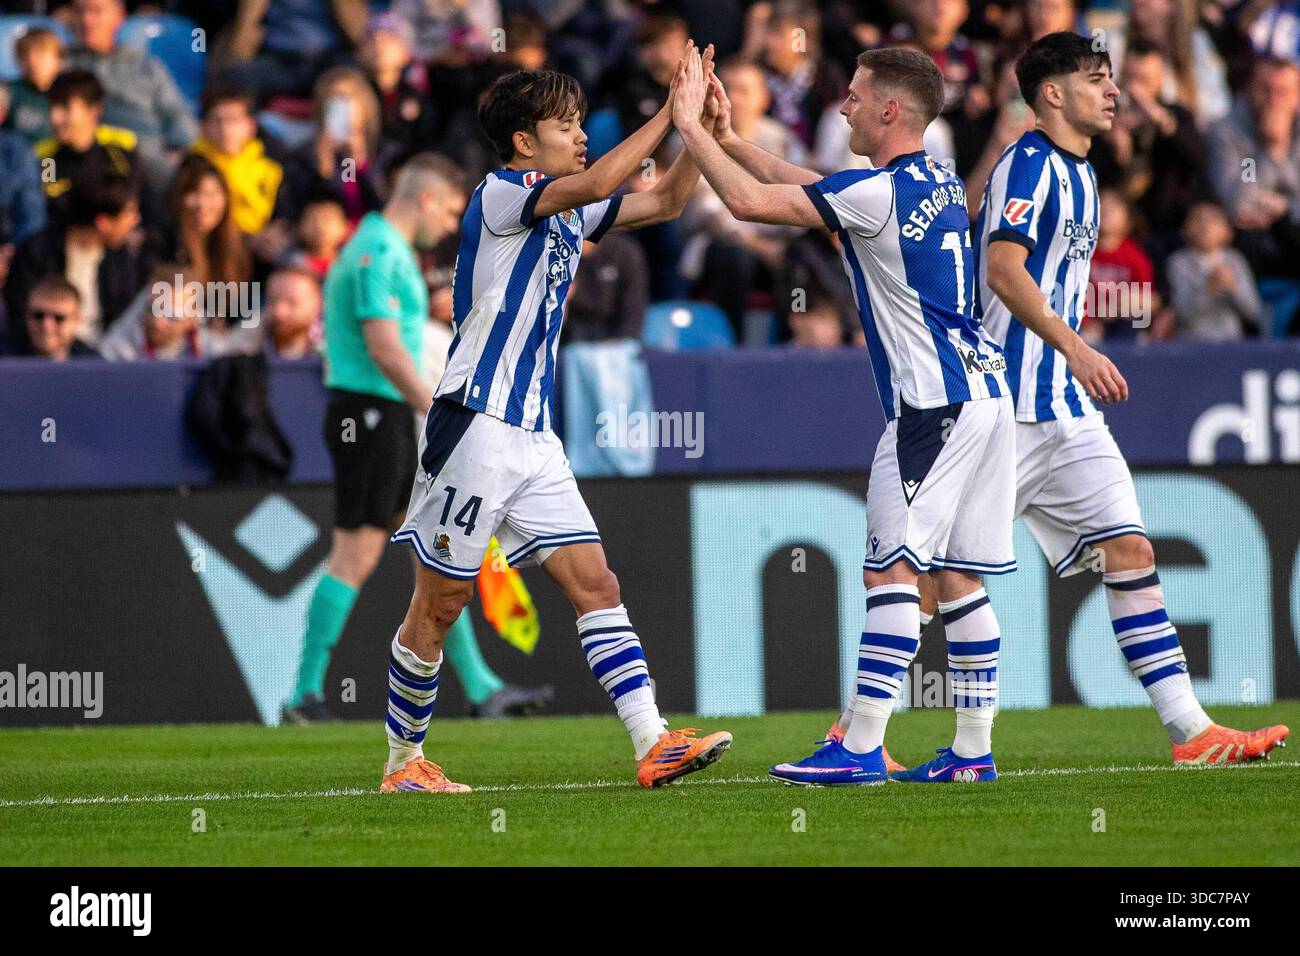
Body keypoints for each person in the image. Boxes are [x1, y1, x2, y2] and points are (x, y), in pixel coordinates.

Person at [881, 31, 1285, 767]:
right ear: (1054, 94)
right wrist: (1077, 345)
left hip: (1066, 410)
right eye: (1097, 78)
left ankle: (1190, 732)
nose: (1114, 90)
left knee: (1129, 548)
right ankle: (874, 733)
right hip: (1001, 407)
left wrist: (1072, 355)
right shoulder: (1029, 165)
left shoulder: (1085, 175)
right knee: (935, 579)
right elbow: (1002, 271)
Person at [382, 48, 733, 794]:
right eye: (566, 124)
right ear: (522, 142)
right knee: (439, 606)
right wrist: (668, 114)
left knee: (595, 584)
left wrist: (698, 132)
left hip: (534, 436)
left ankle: (653, 743)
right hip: (474, 423)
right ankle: (403, 763)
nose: (581, 135)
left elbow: (665, 201)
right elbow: (607, 178)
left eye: (579, 123)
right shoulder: (501, 193)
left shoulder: (566, 206)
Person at [674, 46, 1016, 786]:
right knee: (958, 578)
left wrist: (688, 131)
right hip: (989, 395)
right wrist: (730, 141)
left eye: (856, 96)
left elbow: (752, 206)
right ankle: (971, 751)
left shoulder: (879, 193)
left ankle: (860, 745)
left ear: (890, 109)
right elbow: (828, 190)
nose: (844, 106)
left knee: (892, 570)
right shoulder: (936, 179)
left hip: (933, 405)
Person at [282, 153, 552, 726]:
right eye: (452, 209)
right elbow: (384, 347)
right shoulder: (377, 253)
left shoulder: (380, 248)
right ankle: (302, 694)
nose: (454, 223)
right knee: (356, 553)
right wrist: (438, 409)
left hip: (383, 416)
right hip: (371, 415)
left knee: (436, 551)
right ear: (426, 198)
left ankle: (480, 688)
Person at [36, 70, 140, 226]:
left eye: (65, 107)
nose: (54, 117)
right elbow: (46, 209)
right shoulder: (47, 159)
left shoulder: (121, 150)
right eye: (52, 107)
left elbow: (138, 207)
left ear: (94, 110)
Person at [191, 87, 284, 236]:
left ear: (251, 126)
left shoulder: (271, 169)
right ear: (203, 126)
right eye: (217, 120)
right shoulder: (191, 168)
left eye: (233, 120)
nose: (225, 128)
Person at [1165, 201, 1263, 340]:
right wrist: (1207, 290)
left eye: (1213, 220)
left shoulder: (1235, 260)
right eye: (1198, 219)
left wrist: (1233, 288)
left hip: (1231, 342)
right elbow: (1180, 313)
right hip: (1191, 343)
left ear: (1228, 231)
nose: (1205, 226)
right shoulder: (1179, 262)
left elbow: (1253, 311)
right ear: (1184, 229)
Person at [2, 274, 102, 360]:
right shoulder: (4, 357)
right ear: (26, 315)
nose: (46, 325)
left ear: (76, 320)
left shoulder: (93, 365)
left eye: (59, 318)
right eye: (38, 316)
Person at [3, 26, 63, 145]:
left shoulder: (69, 94)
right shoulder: (10, 90)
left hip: (51, 160)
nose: (32, 61)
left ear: (58, 59)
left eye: (40, 55)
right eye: (25, 55)